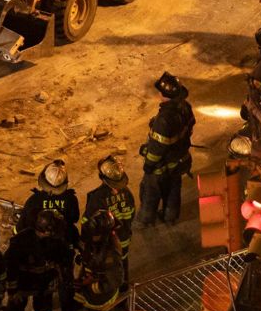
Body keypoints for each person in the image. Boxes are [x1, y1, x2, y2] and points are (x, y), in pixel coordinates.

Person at [2, 209, 71, 311]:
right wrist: (12, 292)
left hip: (45, 286)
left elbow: (64, 258)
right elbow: (10, 266)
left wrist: (61, 276)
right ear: (47, 230)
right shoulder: (21, 241)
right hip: (23, 284)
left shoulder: (56, 241)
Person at [139, 72, 195, 226]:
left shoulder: (163, 120)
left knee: (150, 194)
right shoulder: (185, 107)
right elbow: (189, 126)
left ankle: (146, 220)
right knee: (173, 191)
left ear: (164, 95)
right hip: (179, 161)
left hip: (160, 167)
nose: (158, 94)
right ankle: (170, 217)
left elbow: (157, 148)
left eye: (160, 92)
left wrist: (149, 165)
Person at [73, 210, 124, 311]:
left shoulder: (111, 254)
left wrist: (93, 283)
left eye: (95, 235)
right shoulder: (96, 241)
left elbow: (116, 279)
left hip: (102, 296)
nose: (91, 237)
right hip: (90, 293)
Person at [84, 155, 135, 289]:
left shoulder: (97, 198)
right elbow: (132, 214)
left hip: (107, 243)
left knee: (107, 268)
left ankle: (110, 289)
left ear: (102, 177)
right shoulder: (127, 193)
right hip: (124, 238)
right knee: (123, 262)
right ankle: (124, 288)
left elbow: (88, 223)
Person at [20, 159, 80, 244]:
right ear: (65, 181)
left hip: (38, 246)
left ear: (43, 177)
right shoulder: (71, 199)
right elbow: (75, 219)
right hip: (64, 244)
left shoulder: (34, 200)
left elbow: (21, 226)